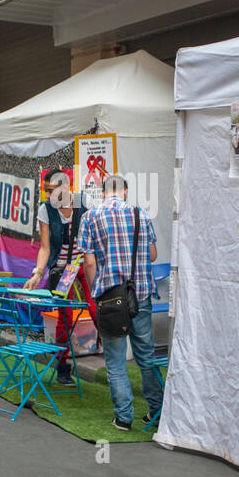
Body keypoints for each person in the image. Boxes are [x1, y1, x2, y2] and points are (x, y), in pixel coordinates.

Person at [80, 174, 164, 431]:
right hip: (140, 294)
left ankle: (124, 417)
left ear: (104, 193)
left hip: (110, 297)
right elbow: (151, 255)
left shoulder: (90, 217)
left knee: (115, 361)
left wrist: (97, 290)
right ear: (125, 191)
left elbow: (90, 262)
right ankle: (157, 410)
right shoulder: (141, 214)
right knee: (146, 356)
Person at [25, 172, 97, 385]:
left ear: (66, 187)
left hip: (84, 264)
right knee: (63, 316)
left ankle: (111, 355)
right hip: (60, 269)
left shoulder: (84, 202)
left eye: (51, 190)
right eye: (46, 190)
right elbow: (45, 247)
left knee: (95, 306)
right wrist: (38, 272)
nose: (48, 195)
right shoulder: (45, 210)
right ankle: (63, 367)